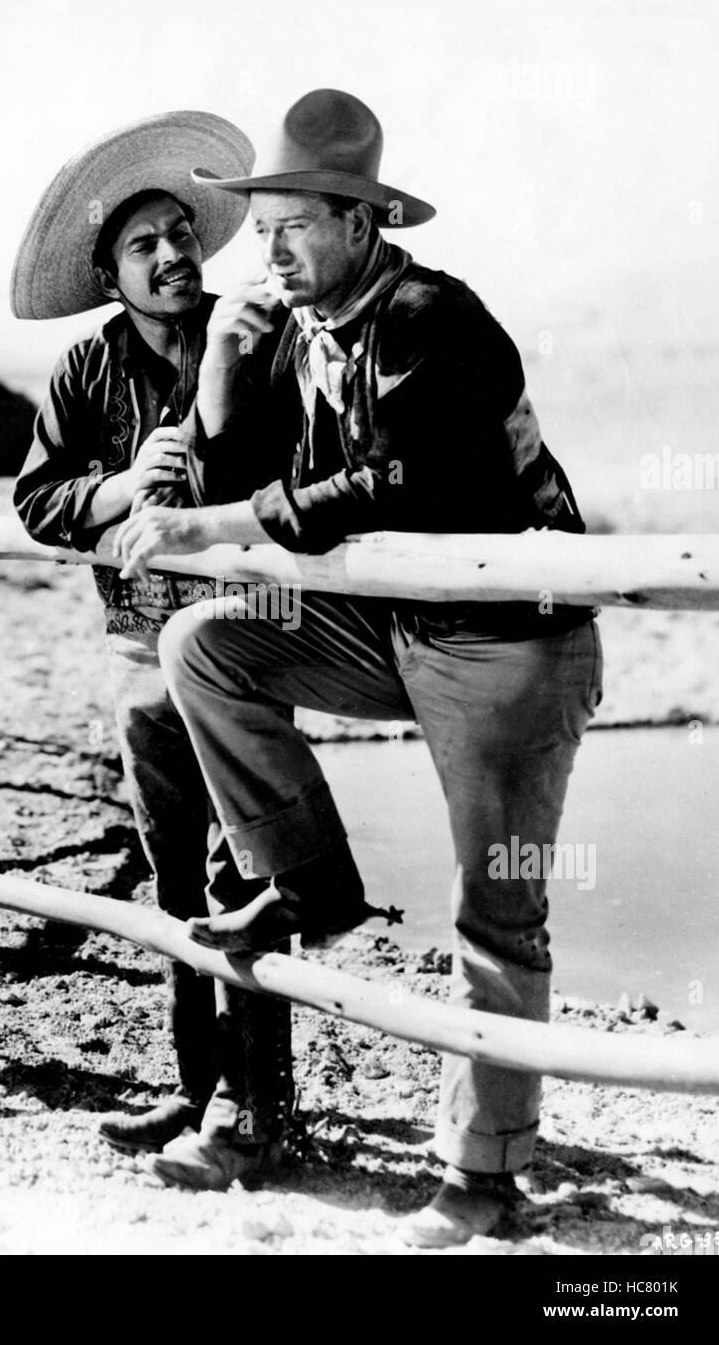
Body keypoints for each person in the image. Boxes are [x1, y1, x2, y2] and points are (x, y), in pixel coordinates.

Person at [111, 89, 603, 1239]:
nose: (266, 249)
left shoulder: (434, 315)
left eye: (289, 225)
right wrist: (229, 353)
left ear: (358, 224)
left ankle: (480, 1180)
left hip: (510, 641)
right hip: (398, 628)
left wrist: (215, 526)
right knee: (206, 645)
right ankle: (312, 886)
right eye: (260, 225)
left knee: (494, 909)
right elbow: (234, 455)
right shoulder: (302, 323)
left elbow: (402, 482)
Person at [10, 110, 297, 1190]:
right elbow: (37, 497)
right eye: (146, 243)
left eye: (183, 231)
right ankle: (194, 1086)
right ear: (109, 270)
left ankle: (262, 1107)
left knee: (246, 874)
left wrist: (213, 469)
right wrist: (121, 487)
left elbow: (293, 476)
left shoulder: (254, 335)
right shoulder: (86, 371)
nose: (174, 254)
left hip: (245, 647)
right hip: (138, 653)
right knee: (173, 874)